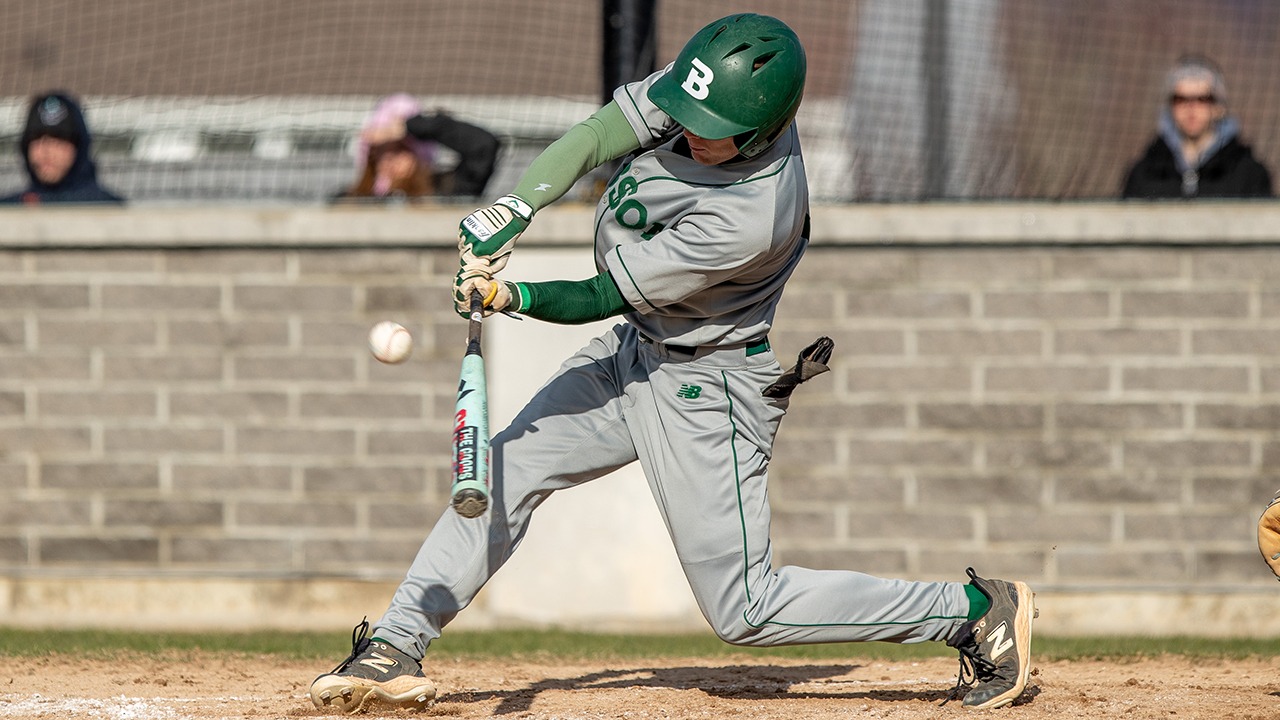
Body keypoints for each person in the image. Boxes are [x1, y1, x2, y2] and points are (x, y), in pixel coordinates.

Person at [308, 13, 1036, 714]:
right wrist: (517, 207)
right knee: (502, 474)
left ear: (761, 132)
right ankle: (396, 646)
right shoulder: (703, 91)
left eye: (714, 133)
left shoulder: (755, 216)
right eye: (689, 113)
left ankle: (974, 612)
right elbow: (600, 134)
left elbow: (601, 293)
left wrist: (508, 292)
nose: (688, 132)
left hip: (709, 388)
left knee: (745, 610)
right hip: (635, 354)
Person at [1122, 55, 1272, 199]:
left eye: (1202, 99)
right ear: (1170, 106)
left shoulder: (1249, 174)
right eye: (1181, 99)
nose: (1191, 108)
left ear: (1218, 107)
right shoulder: (1144, 173)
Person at [334, 93, 502, 203]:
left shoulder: (446, 191)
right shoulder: (352, 201)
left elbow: (483, 146)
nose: (389, 159)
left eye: (400, 149)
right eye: (382, 150)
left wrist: (409, 127)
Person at [0, 91, 124, 205]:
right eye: (37, 140)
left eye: (59, 141)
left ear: (79, 147)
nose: (47, 152)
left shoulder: (108, 208)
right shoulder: (10, 208)